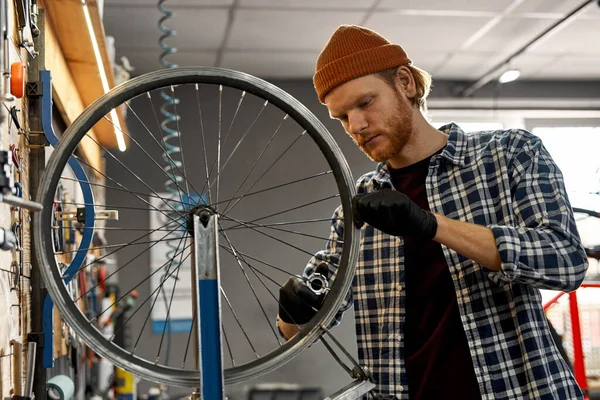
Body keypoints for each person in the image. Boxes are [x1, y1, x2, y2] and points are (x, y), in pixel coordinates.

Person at [276, 25, 589, 400]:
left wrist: (430, 224)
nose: (356, 126)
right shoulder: (361, 204)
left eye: (365, 103)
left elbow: (565, 261)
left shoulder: (508, 155)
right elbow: (301, 331)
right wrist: (292, 311)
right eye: (342, 117)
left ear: (405, 83)